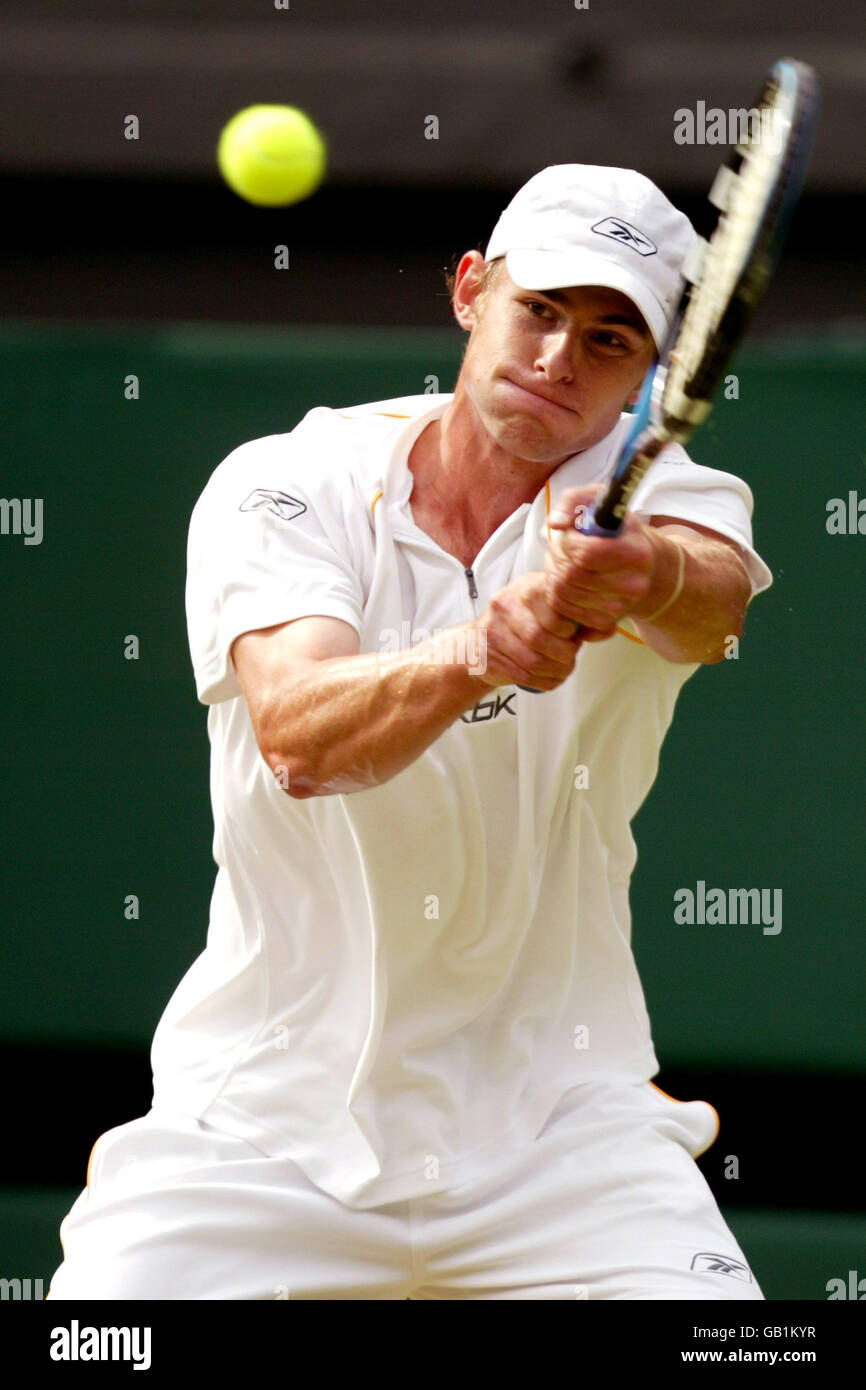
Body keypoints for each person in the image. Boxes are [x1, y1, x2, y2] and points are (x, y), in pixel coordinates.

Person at [50, 164, 772, 1301]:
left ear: (650, 378)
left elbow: (712, 594)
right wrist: (477, 649)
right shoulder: (284, 485)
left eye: (608, 341)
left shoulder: (677, 502)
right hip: (256, 1129)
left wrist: (638, 572)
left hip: (563, 1140)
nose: (555, 359)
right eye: (537, 310)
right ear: (469, 291)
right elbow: (298, 738)